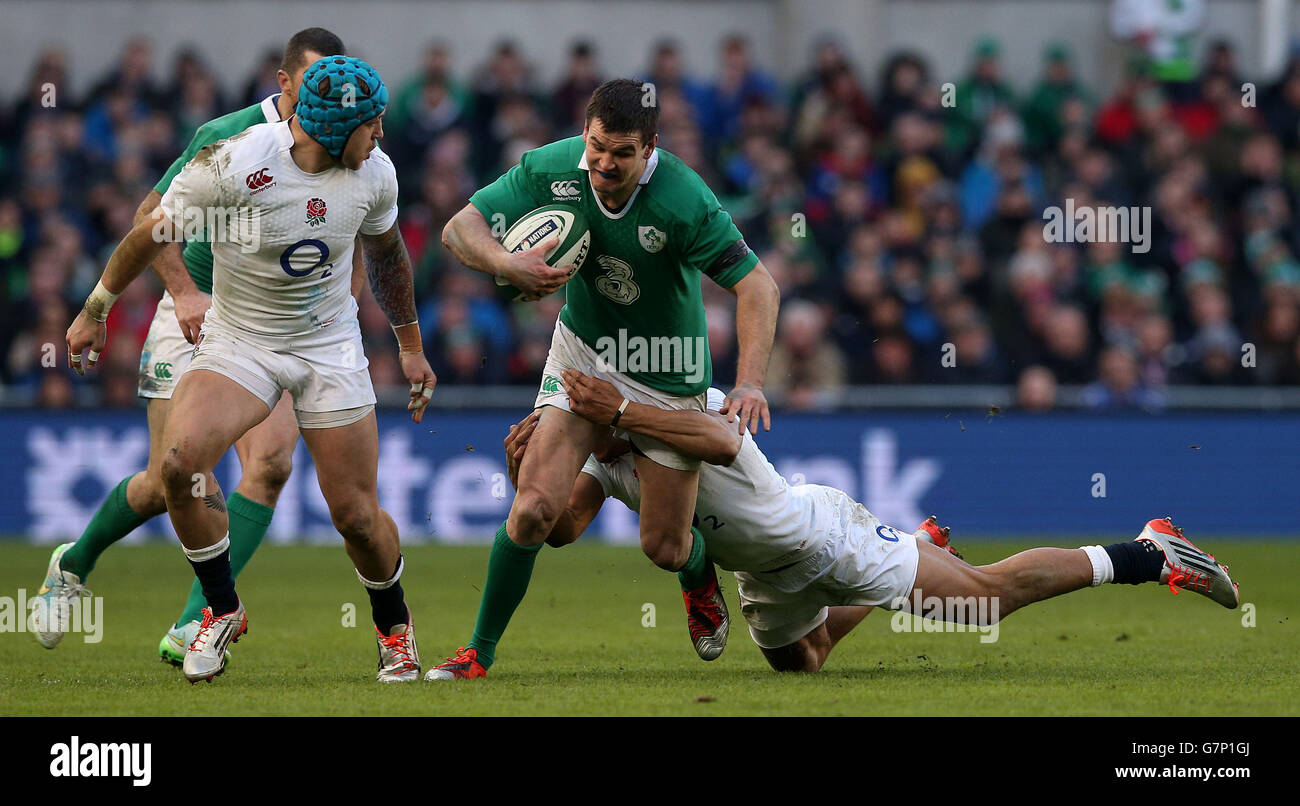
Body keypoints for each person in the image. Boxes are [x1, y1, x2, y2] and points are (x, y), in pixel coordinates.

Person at [430, 369, 1240, 676]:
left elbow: (720, 434)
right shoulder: (604, 464)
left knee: (986, 601)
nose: (570, 433)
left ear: (609, 398)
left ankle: (1147, 550)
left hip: (822, 534)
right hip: (767, 572)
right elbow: (560, 530)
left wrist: (628, 412)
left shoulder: (684, 411)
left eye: (576, 418)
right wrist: (523, 479)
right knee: (803, 663)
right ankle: (922, 546)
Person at [64, 56, 437, 684]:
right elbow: (150, 233)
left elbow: (387, 254)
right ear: (333, 125)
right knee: (179, 466)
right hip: (241, 340)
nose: (380, 136)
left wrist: (411, 344)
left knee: (355, 516)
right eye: (371, 124)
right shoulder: (232, 163)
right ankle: (221, 609)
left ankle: (394, 630)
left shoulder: (375, 173)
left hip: (328, 346)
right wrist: (95, 309)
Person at [31, 28, 365, 668]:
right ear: (286, 81)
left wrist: (340, 311)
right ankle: (72, 562)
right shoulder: (229, 138)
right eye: (316, 80)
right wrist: (182, 292)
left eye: (338, 81)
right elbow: (150, 218)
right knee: (171, 479)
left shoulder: (353, 145)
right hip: (199, 315)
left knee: (270, 466)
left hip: (283, 331)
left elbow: (360, 238)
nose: (330, 94)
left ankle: (198, 620)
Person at [438, 78, 780, 672]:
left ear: (651, 146)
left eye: (622, 152)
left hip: (666, 371)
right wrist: (504, 263)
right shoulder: (552, 168)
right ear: (586, 132)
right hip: (583, 351)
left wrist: (749, 381)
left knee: (664, 547)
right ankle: (477, 654)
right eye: (597, 146)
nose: (604, 163)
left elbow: (757, 286)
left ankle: (697, 573)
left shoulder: (683, 198)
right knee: (536, 512)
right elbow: (458, 229)